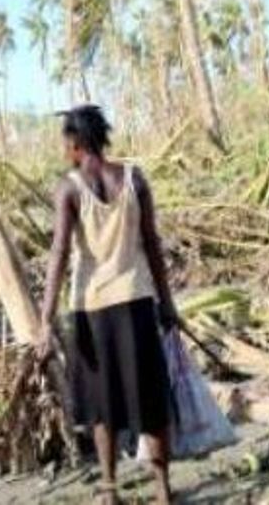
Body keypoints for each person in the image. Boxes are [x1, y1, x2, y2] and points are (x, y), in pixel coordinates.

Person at [36, 105, 179, 505]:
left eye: (66, 144)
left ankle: (110, 489)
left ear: (77, 144)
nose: (65, 151)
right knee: (150, 399)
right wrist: (167, 303)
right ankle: (162, 491)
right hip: (136, 300)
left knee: (101, 404)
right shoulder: (134, 178)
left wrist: (45, 320)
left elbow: (60, 253)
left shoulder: (69, 187)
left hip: (91, 308)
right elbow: (151, 244)